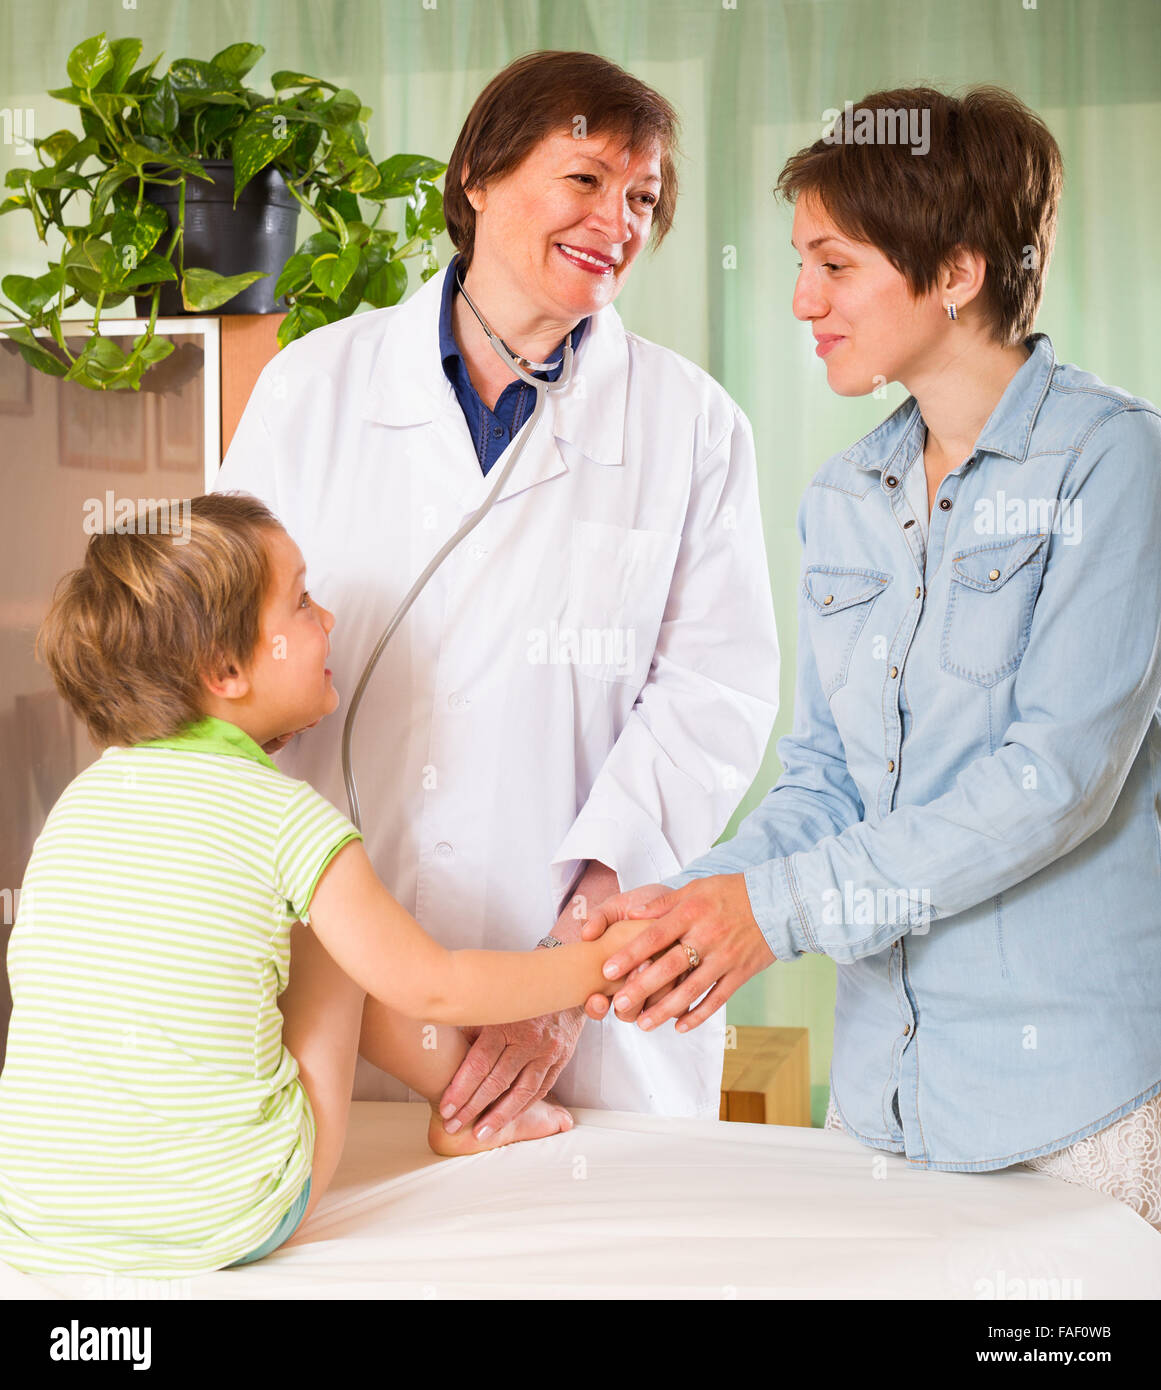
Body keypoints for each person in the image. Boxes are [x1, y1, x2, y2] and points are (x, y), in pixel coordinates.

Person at [584, 85, 1161, 1229]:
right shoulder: (846, 498)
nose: (803, 299)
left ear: (956, 273)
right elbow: (829, 780)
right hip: (885, 1107)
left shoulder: (1116, 466)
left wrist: (776, 911)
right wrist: (702, 904)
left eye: (835, 265)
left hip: (1079, 1107)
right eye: (801, 262)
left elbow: (1053, 782)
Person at [213, 50, 779, 1136]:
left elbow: (715, 701)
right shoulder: (313, 391)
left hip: (591, 999)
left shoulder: (693, 426)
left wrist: (575, 963)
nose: (618, 219)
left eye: (645, 199)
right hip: (348, 990)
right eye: (586, 179)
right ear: (477, 172)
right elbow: (225, 650)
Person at [0, 494, 654, 1276]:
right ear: (227, 671)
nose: (331, 619)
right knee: (339, 937)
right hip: (224, 1212)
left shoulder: (80, 804)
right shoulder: (286, 819)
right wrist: (596, 961)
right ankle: (473, 1114)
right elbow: (434, 987)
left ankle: (467, 1109)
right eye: (303, 601)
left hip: (33, 1210)